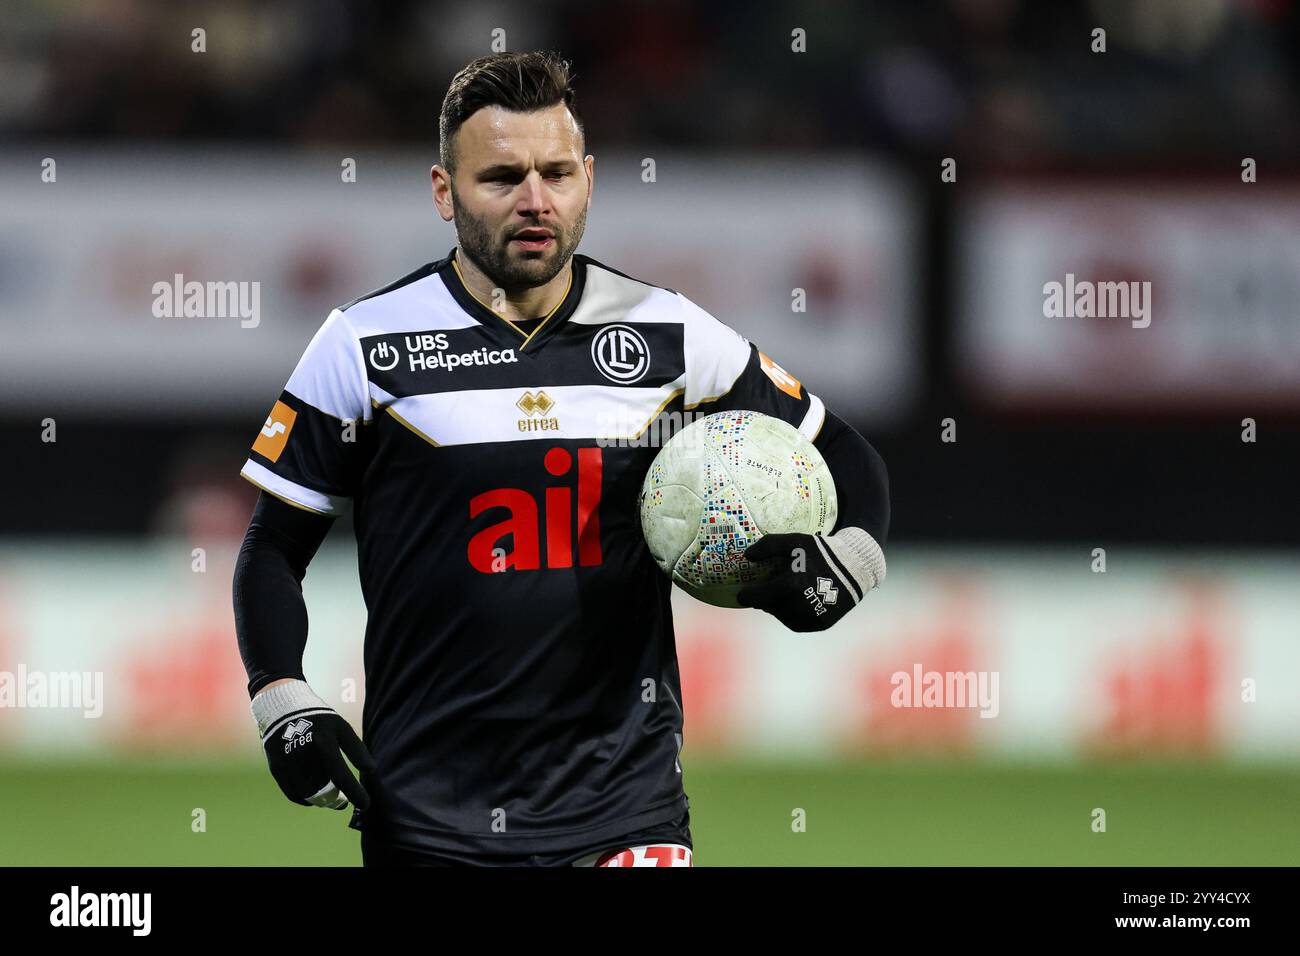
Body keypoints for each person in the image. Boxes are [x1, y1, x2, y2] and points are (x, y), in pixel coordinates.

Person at [232, 50, 889, 867]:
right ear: (444, 192)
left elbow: (842, 451)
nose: (535, 200)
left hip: (627, 812)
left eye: (557, 173)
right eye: (502, 178)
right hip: (429, 819)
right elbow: (273, 549)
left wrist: (851, 561)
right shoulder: (364, 345)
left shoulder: (669, 333)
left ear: (589, 179)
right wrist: (281, 697)